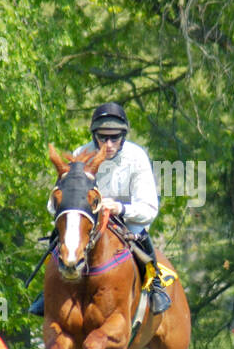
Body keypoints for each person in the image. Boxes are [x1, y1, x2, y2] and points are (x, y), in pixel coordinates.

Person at [30, 102, 170, 316]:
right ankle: (47, 291)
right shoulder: (82, 153)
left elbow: (149, 208)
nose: (109, 143)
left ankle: (155, 286)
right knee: (59, 235)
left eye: (115, 137)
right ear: (94, 135)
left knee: (141, 237)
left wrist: (119, 208)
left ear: (123, 135)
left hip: (127, 219)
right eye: (102, 137)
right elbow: (58, 200)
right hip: (90, 219)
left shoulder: (137, 157)